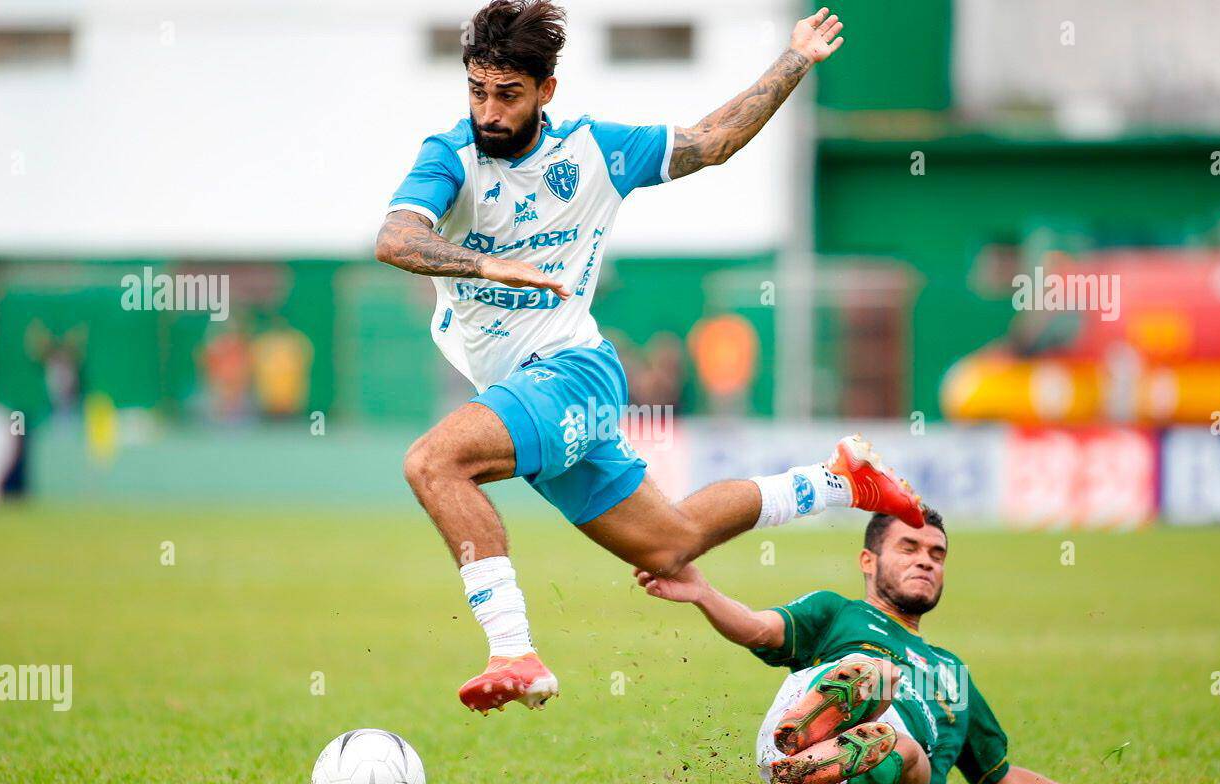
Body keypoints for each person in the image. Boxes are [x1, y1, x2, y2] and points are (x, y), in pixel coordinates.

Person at [376, 1, 924, 714]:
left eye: (507, 94)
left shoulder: (595, 152)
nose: (488, 110)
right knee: (671, 544)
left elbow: (713, 140)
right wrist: (489, 268)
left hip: (573, 371)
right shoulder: (450, 156)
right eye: (477, 90)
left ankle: (513, 650)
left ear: (547, 89)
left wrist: (794, 60)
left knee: (433, 460)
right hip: (520, 388)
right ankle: (838, 481)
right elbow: (394, 238)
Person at [637, 509, 1179, 784]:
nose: (926, 561)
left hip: (883, 778)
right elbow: (758, 628)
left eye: (936, 554)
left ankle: (824, 768)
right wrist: (704, 593)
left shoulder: (955, 673)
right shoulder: (838, 613)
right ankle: (810, 742)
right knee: (876, 674)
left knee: (908, 749)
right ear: (868, 560)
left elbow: (1002, 778)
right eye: (910, 549)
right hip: (794, 726)